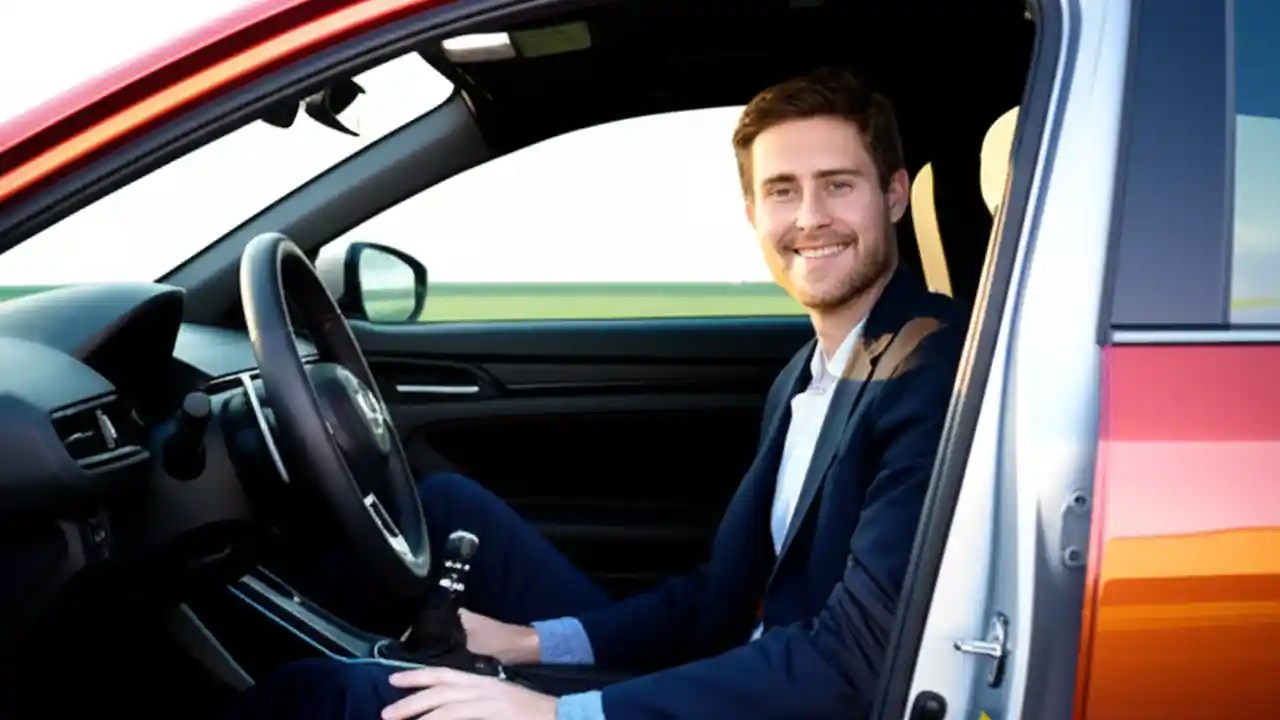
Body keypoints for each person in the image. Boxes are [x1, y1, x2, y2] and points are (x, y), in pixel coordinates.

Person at [227, 66, 966, 720]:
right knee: (449, 508)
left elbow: (851, 662)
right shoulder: (809, 372)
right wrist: (524, 644)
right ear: (753, 215)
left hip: (782, 696)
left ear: (894, 196)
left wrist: (557, 712)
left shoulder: (926, 373)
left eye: (838, 185)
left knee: (330, 695)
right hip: (729, 672)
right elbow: (719, 596)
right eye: (782, 191)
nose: (809, 218)